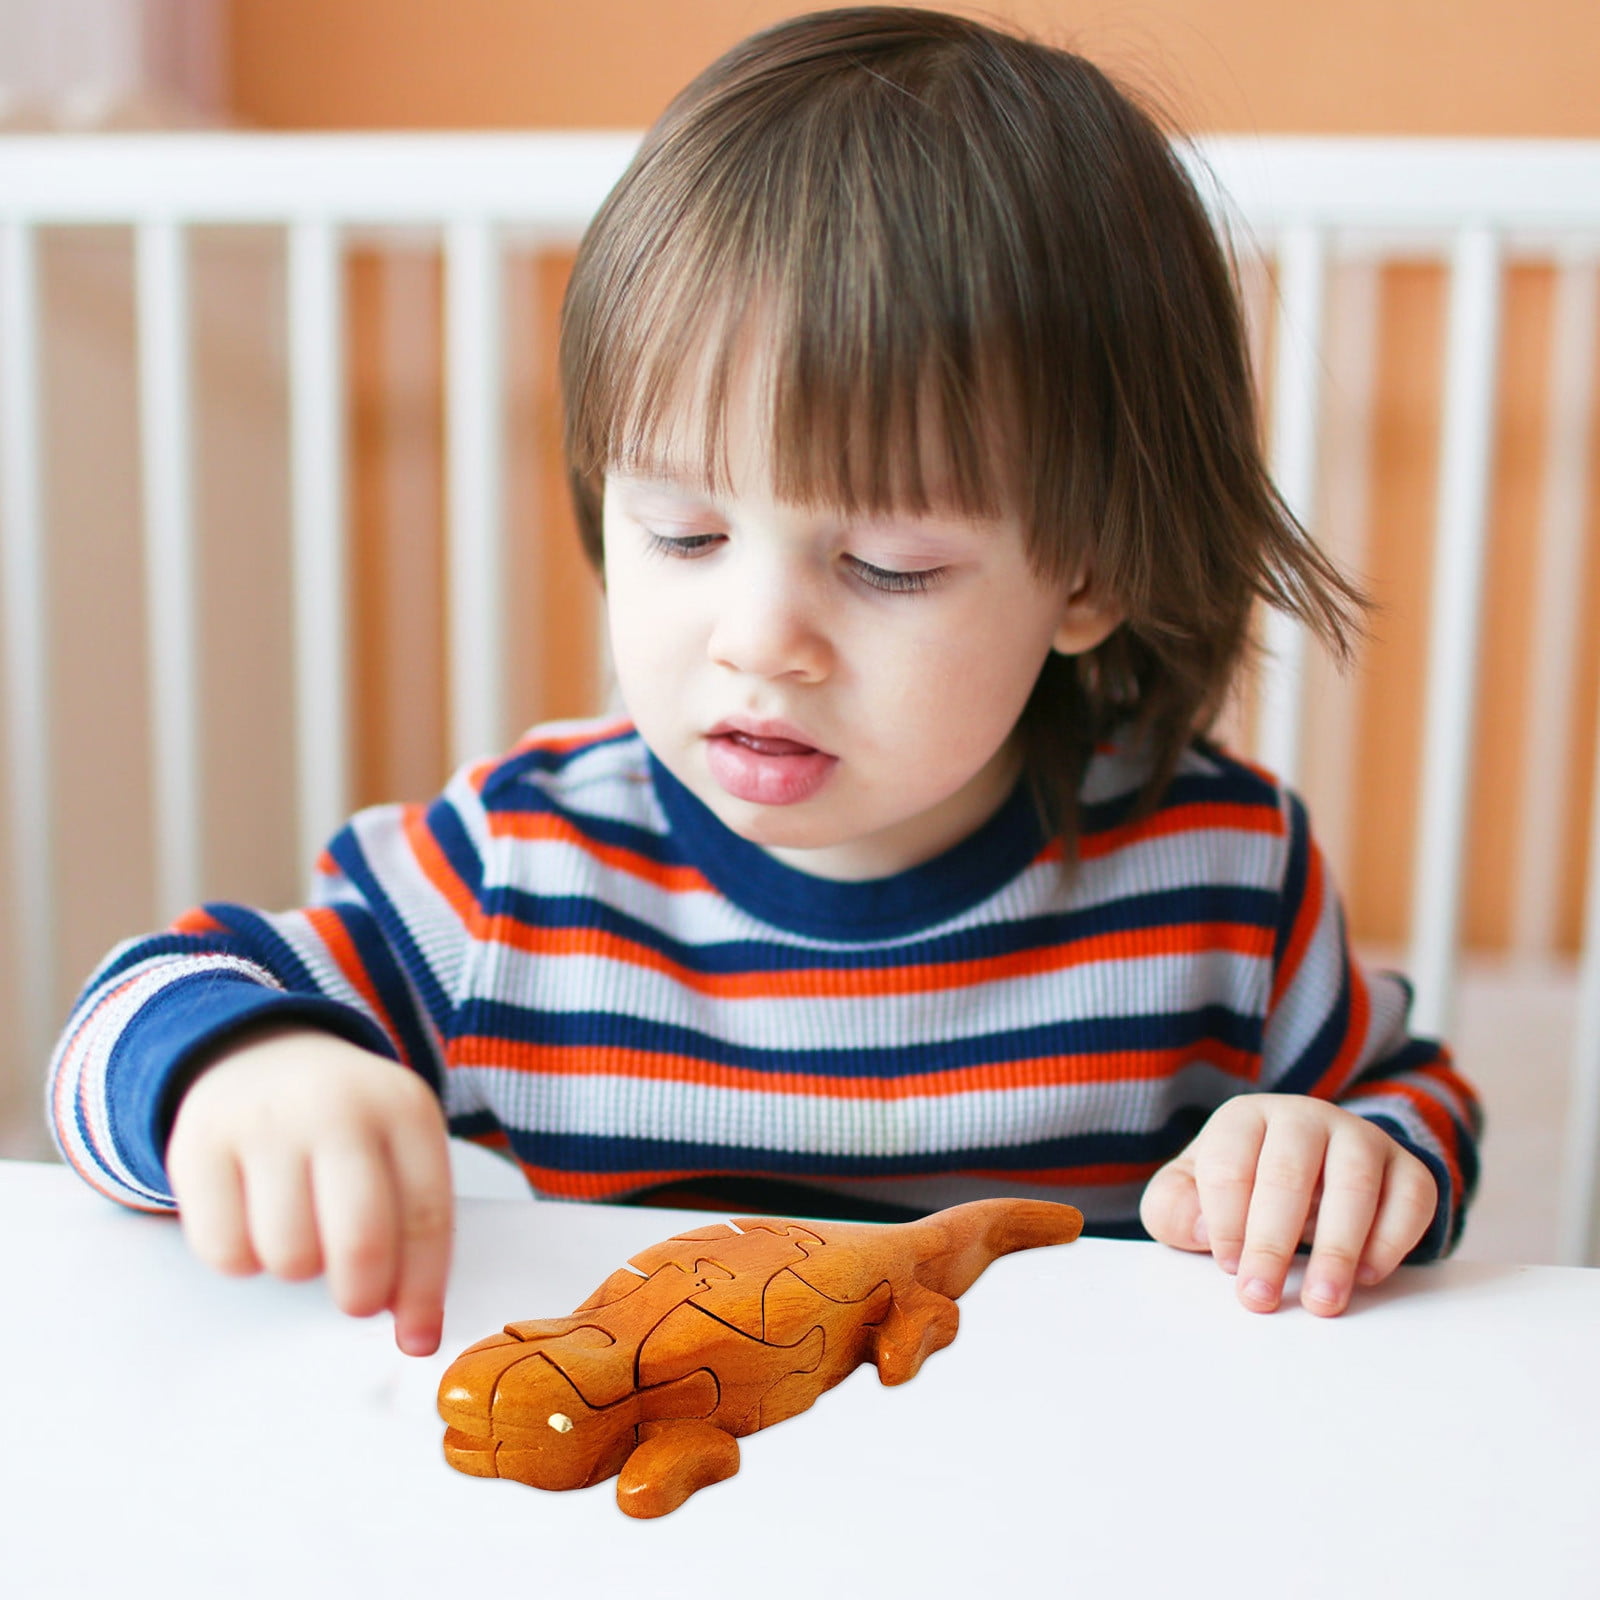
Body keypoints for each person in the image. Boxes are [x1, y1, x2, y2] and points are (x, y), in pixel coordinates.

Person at [48, 6, 1480, 1358]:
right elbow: (133, 1013)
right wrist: (247, 1071)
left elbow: (1418, 1104)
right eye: (686, 534)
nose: (758, 638)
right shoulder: (518, 877)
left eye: (890, 566)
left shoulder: (1221, 877)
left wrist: (1349, 1159)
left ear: (1088, 578)